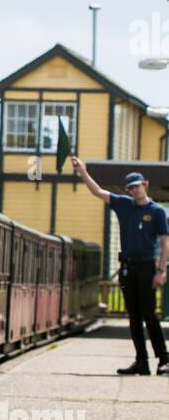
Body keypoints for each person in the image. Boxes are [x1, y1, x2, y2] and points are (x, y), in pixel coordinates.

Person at [71, 157, 169, 375]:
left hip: (147, 268)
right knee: (133, 317)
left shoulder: (157, 212)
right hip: (127, 267)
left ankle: (164, 359)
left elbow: (165, 243)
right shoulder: (124, 205)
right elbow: (97, 191)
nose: (134, 190)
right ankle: (141, 361)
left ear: (145, 185)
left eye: (137, 186)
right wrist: (81, 171)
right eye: (130, 187)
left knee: (150, 315)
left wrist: (160, 272)